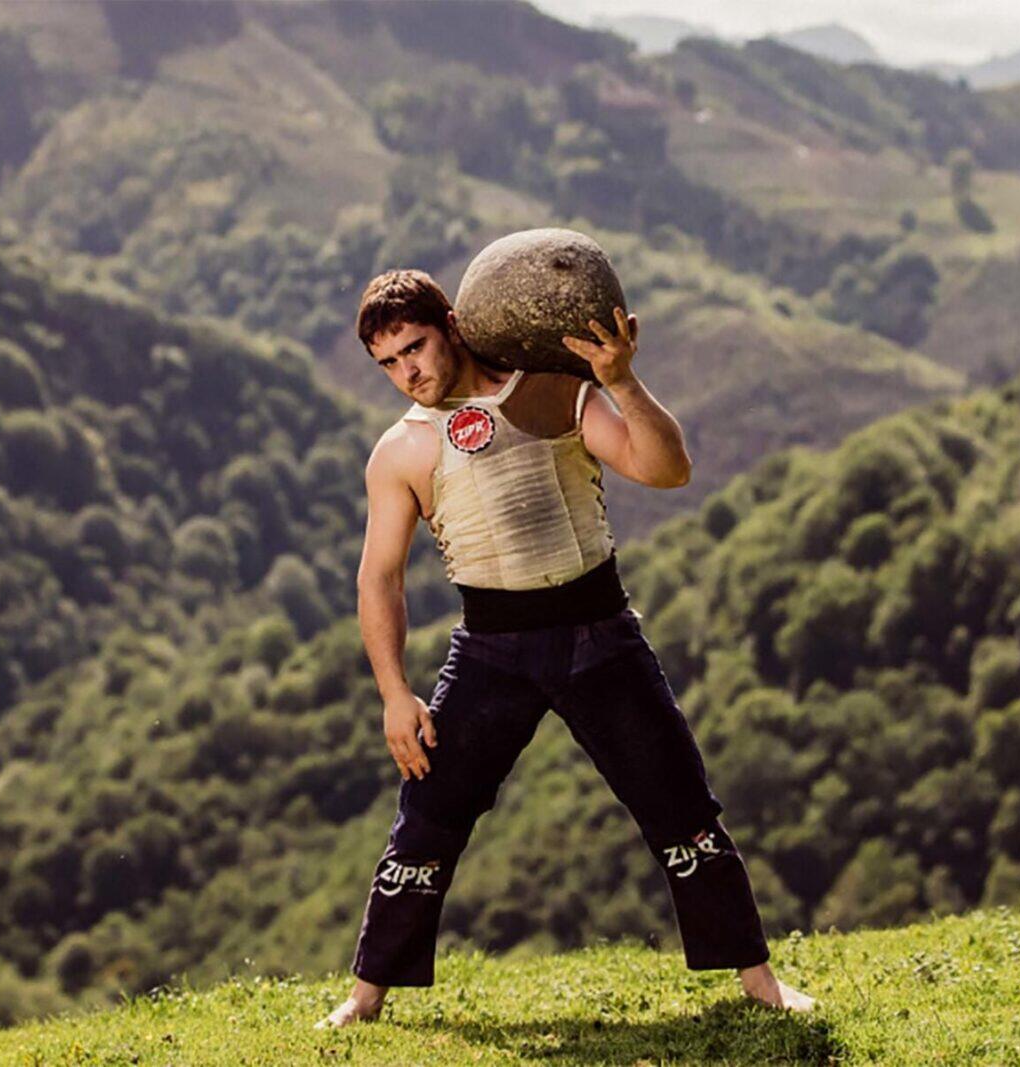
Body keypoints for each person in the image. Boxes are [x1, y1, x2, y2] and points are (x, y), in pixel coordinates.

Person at [318, 269, 815, 1028]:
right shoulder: (401, 451)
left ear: (451, 324)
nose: (406, 372)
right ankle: (366, 995)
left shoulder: (554, 388)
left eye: (414, 347)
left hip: (598, 629)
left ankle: (759, 981)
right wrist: (394, 691)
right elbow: (378, 578)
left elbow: (668, 469)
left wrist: (622, 380)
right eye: (387, 363)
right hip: (490, 647)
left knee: (679, 801)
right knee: (428, 812)